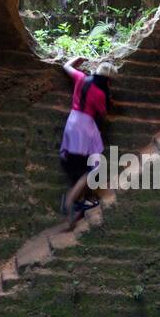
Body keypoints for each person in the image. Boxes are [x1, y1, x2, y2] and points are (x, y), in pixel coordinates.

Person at [59, 58, 116, 230]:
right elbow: (103, 114)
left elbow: (66, 66)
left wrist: (79, 58)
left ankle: (78, 208)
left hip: (72, 122)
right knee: (93, 168)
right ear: (108, 80)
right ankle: (70, 199)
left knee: (77, 167)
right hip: (85, 128)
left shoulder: (81, 78)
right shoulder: (100, 93)